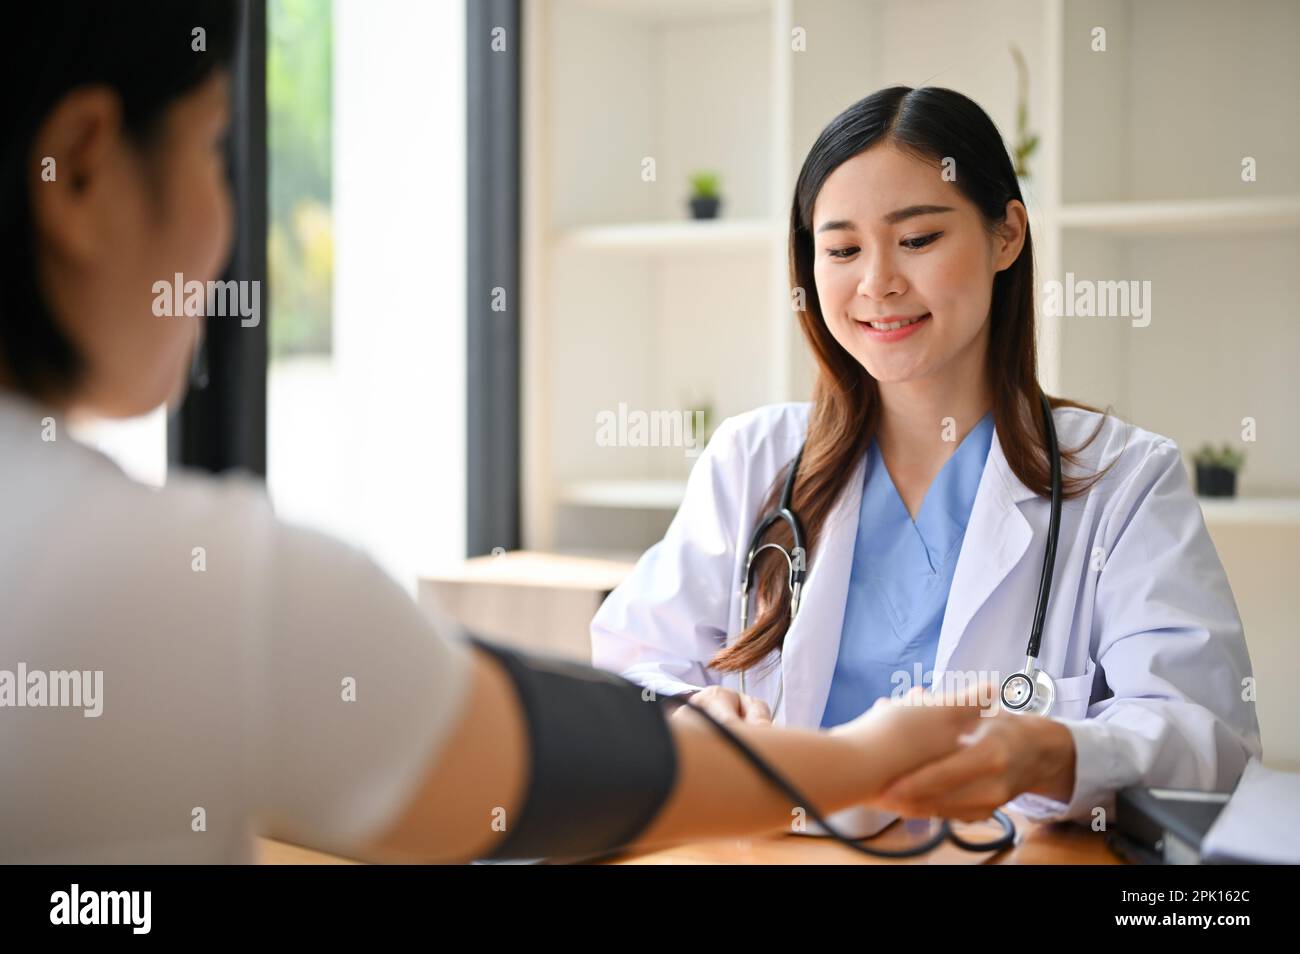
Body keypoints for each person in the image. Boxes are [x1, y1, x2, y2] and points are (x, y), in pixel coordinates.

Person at [0, 1, 989, 865]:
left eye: (916, 237)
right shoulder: (192, 581)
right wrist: (871, 755)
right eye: (216, 145)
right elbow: (556, 760)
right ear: (84, 170)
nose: (229, 221)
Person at [592, 86, 1262, 826]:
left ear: (1007, 235)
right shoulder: (752, 461)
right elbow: (630, 665)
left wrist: (1057, 753)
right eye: (842, 249)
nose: (877, 282)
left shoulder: (1124, 480)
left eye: (917, 240)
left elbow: (1211, 737)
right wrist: (690, 711)